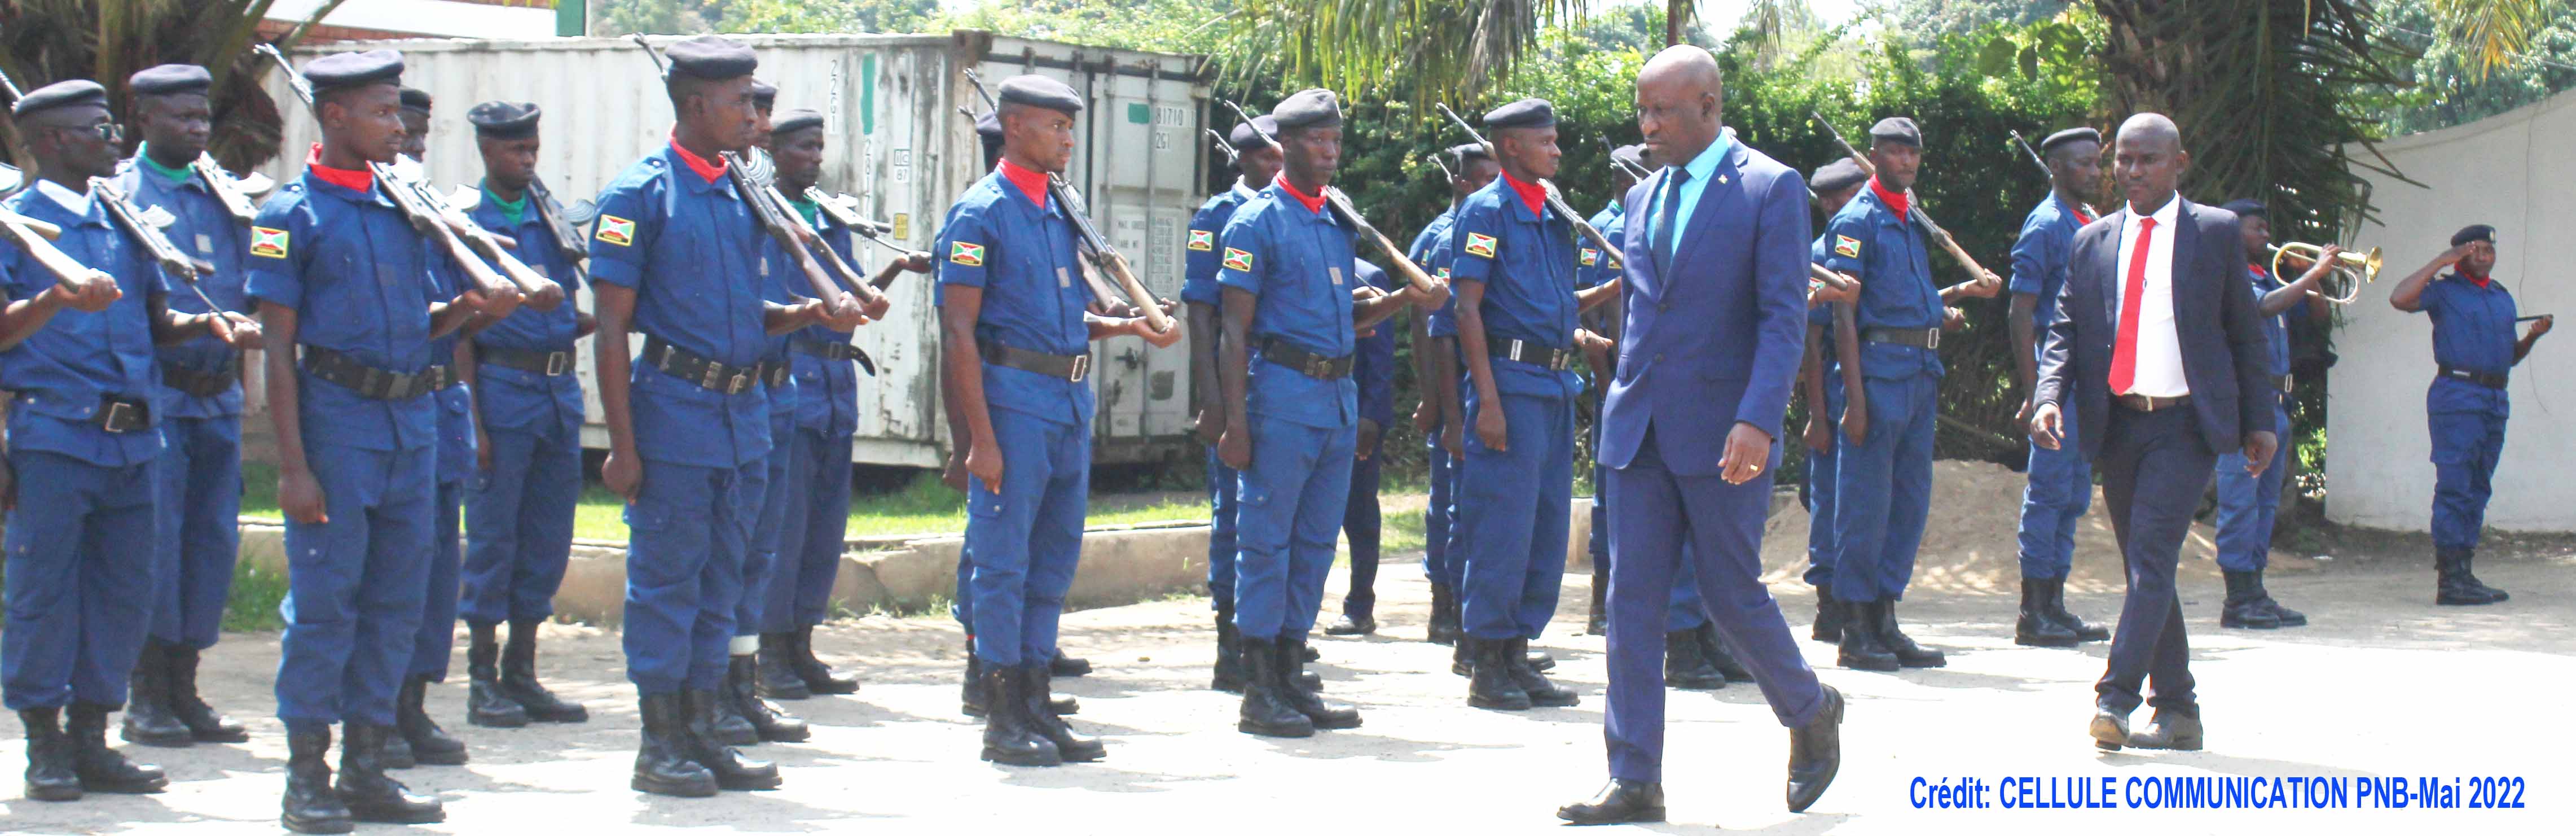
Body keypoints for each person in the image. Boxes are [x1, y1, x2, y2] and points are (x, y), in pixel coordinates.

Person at [1558, 46, 1841, 825]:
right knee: (1631, 604)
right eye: (1641, 111)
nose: (1648, 126)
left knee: (1727, 594)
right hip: (1638, 431)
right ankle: (1635, 779)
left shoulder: (1768, 186)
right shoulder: (1645, 197)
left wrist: (1756, 418)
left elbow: (1784, 317)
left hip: (1725, 431)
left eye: (1663, 112)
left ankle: (1810, 710)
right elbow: (1648, 314)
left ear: (1709, 106)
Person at [590, 34, 869, 796]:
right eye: (742, 101)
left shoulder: (742, 192)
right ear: (694, 106)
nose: (755, 115)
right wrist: (620, 444)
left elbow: (748, 309)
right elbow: (613, 328)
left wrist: (804, 311)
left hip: (744, 411)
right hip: (674, 411)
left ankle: (705, 728)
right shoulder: (640, 195)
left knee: (723, 579)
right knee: (669, 580)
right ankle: (661, 742)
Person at [248, 50, 518, 830]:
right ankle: (308, 776)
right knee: (328, 605)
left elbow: (424, 325)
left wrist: (472, 311)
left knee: (395, 605)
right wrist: (293, 467)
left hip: (411, 429)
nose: (397, 126)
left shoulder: (405, 210)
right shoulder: (289, 216)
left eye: (398, 112)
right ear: (334, 116)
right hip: (337, 427)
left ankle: (368, 766)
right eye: (382, 112)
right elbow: (278, 349)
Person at [4, 77, 243, 805]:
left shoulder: (124, 221)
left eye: (112, 127)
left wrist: (204, 326)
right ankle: (45, 746)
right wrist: (54, 298)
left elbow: (154, 322)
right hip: (55, 435)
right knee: (47, 592)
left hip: (138, 439)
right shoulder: (17, 225)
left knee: (120, 592)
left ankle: (93, 737)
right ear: (51, 143)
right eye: (97, 128)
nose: (114, 140)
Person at [936, 74, 1181, 765]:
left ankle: (1037, 701)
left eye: (1071, 128)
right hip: (1012, 402)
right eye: (1055, 127)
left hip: (1067, 400)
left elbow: (1062, 317)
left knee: (1051, 561)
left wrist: (1129, 324)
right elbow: (961, 332)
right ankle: (1002, 711)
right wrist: (978, 440)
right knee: (1004, 562)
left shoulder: (1058, 211)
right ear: (1013, 127)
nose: (1068, 139)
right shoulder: (980, 214)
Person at [2030, 112, 2279, 754]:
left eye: (2148, 160)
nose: (2132, 172)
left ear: (2178, 163)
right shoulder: (2093, 240)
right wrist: (2049, 395)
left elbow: (2245, 334)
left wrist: (2259, 420)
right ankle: (2179, 709)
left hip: (2185, 424)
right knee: (2150, 566)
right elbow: (2066, 328)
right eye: (2124, 160)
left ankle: (2114, 697)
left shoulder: (2215, 232)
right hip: (2118, 425)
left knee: (2151, 558)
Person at [1214, 89, 1438, 737]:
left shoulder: (1336, 218)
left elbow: (1352, 318)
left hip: (1336, 401)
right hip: (1280, 398)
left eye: (1336, 139)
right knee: (1267, 542)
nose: (1331, 151)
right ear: (1285, 145)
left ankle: (1291, 674)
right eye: (1317, 140)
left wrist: (1406, 297)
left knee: (1313, 546)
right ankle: (1259, 687)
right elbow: (1234, 330)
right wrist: (1233, 421)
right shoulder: (1256, 223)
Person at [1447, 98, 1613, 714]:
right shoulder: (1488, 211)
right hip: (1510, 381)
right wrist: (1486, 400)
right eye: (1546, 140)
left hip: (1551, 382)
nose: (1557, 149)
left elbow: (1560, 301)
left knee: (1544, 528)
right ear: (1512, 147)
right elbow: (1466, 308)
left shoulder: (1551, 212)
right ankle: (1488, 662)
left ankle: (1517, 650)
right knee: (1503, 528)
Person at [759, 108, 928, 700]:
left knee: (824, 528)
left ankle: (802, 642)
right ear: (774, 151)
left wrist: (898, 267)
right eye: (802, 148)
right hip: (794, 372)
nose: (814, 158)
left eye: (819, 148)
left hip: (834, 387)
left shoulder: (828, 218)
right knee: (787, 522)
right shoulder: (764, 215)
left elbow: (864, 303)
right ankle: (770, 649)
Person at [113, 63, 257, 749]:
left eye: (202, 117)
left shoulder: (222, 191)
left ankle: (187, 685)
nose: (196, 128)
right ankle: (148, 694)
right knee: (158, 546)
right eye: (179, 116)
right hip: (161, 395)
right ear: (143, 119)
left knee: (209, 545)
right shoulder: (120, 195)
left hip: (218, 395)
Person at [457, 100, 593, 730]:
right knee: (493, 539)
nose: (528, 158)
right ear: (488, 151)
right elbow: (459, 331)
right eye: (516, 150)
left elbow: (570, 307)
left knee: (545, 540)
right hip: (502, 390)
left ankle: (523, 670)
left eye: (533, 148)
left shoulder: (549, 215)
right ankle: (483, 680)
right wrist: (473, 422)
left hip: (557, 396)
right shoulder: (467, 221)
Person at [1817, 116, 1955, 672]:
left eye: (1913, 153)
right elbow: (1842, 310)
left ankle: (1886, 616)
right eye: (1895, 152)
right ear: (1874, 156)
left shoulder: (1911, 218)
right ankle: (1855, 627)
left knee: (1907, 502)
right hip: (1876, 371)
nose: (1907, 162)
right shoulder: (1857, 221)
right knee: (1865, 504)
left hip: (1921, 369)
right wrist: (1853, 397)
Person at [714, 86, 815, 750]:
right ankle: (709, 696)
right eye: (751, 113)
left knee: (758, 554)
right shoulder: (715, 197)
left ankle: (741, 686)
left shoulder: (758, 198)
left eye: (763, 115)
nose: (759, 126)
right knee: (718, 556)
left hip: (769, 392)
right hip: (713, 396)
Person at [384, 84, 476, 771]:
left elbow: (457, 318)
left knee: (437, 569)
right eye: (400, 131)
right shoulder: (374, 218)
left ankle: (412, 704)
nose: (411, 146)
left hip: (440, 406)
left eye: (418, 137)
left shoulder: (432, 213)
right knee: (388, 571)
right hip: (386, 406)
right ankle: (375, 712)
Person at [2387, 224, 2549, 605]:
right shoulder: (2443, 290)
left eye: (2488, 249)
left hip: (2494, 397)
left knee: (2478, 486)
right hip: (2457, 395)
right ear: (2459, 254)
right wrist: (2440, 261)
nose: (2483, 255)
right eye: (2474, 249)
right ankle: (2449, 580)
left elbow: (2509, 356)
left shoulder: (2501, 297)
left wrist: (2533, 337)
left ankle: (2465, 572)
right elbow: (2399, 298)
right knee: (2456, 485)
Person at [2006, 126, 2113, 648]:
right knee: (2048, 492)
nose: (2095, 173)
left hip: (2086, 374)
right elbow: (2021, 312)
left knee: (2072, 493)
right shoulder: (2046, 225)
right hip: (2056, 373)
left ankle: (2057, 603)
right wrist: (2036, 392)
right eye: (2083, 165)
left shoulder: (2087, 220)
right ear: (2056, 168)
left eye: (2097, 163)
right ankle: (2034, 611)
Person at [1188, 115, 1282, 689]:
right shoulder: (1216, 217)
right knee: (1234, 516)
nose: (1276, 168)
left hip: (1283, 385)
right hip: (1236, 382)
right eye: (1265, 159)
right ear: (1243, 160)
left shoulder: (1299, 212)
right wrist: (1214, 399)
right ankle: (1231, 640)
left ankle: (1270, 636)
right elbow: (1202, 313)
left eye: (1280, 157)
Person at [2213, 199, 2329, 628]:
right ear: (2232, 233)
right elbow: (2262, 308)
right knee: (2241, 500)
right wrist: (2314, 273)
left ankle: (2255, 590)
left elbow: (2318, 314)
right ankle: (2237, 598)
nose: (2266, 235)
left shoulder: (2270, 277)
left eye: (2266, 228)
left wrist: (2308, 277)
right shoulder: (2231, 276)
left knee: (2264, 504)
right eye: (2256, 228)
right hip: (2246, 403)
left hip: (2277, 402)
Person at [1414, 142, 1493, 653]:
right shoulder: (1446, 238)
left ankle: (1466, 614)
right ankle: (1448, 610)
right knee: (1453, 505)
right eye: (1485, 180)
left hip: (1476, 386)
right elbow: (1433, 330)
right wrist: (1440, 405)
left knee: (1465, 505)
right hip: (1457, 389)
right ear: (1462, 182)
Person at [1798, 156, 1865, 644]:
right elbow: (1811, 346)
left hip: (1869, 378)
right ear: (1831, 203)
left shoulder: (1866, 242)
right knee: (1831, 497)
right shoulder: (1822, 256)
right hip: (1838, 388)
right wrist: (1818, 415)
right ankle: (1830, 604)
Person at [1326, 256, 1400, 637]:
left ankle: (1360, 605)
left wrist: (1371, 417)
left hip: (1355, 417)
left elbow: (1381, 358)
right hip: (1310, 411)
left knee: (1359, 516)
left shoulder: (1369, 276)